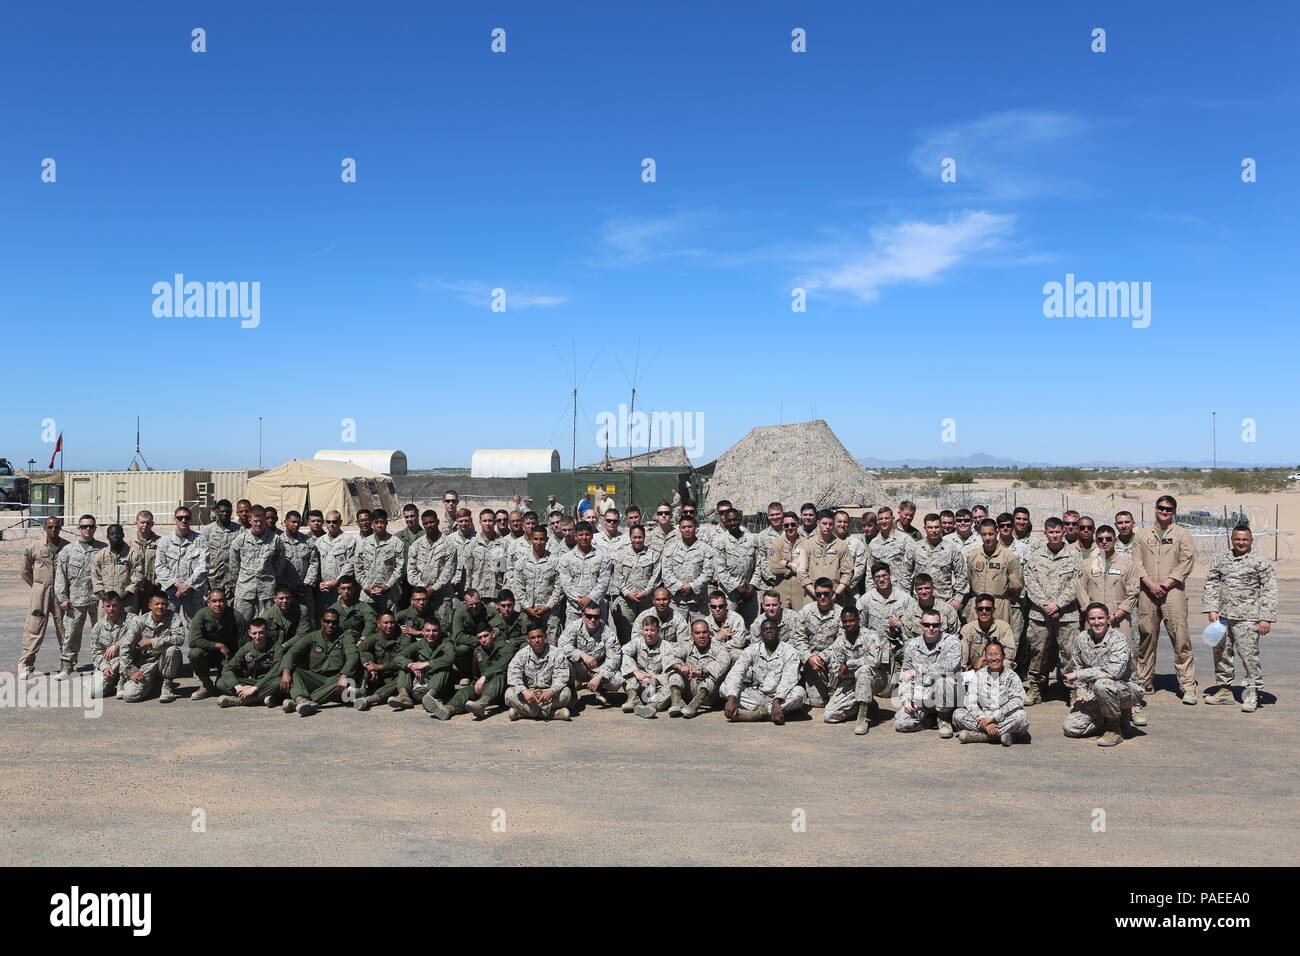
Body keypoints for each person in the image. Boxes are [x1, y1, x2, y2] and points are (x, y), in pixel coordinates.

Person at [1201, 525, 1277, 713]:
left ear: (1251, 541)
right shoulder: (1221, 560)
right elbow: (1211, 583)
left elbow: (1270, 589)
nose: (1241, 543)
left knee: (1249, 657)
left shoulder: (1260, 562)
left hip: (1248, 619)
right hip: (1223, 617)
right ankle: (1225, 690)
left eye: (1244, 540)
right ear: (1232, 540)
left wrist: (1266, 618)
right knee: (1222, 655)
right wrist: (1211, 608)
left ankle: (1252, 692)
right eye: (1237, 539)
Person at [1133, 495, 1197, 703]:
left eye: (1169, 509)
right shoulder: (1142, 535)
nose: (1164, 512)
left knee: (1180, 639)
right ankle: (1144, 682)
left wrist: (1168, 583)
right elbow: (1137, 562)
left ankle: (1187, 686)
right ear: (1155, 509)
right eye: (1161, 508)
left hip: (1173, 592)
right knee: (1146, 639)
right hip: (1148, 592)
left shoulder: (1182, 534)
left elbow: (1187, 561)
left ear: (1174, 512)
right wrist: (1150, 584)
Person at [1063, 603, 1144, 746]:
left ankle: (1114, 729)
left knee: (1102, 684)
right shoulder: (1082, 638)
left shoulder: (1118, 639)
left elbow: (1113, 672)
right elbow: (1077, 665)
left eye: (1100, 618)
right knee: (1071, 728)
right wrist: (1081, 693)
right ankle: (1106, 718)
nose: (1097, 622)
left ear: (1108, 619)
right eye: (1092, 619)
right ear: (1087, 620)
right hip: (1095, 692)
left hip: (1125, 690)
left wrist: (1079, 674)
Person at [1022, 516, 1080, 705]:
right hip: (1040, 614)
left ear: (1064, 533)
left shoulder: (1074, 555)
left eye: (1058, 532)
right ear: (1045, 533)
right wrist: (1046, 604)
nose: (1054, 535)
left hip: (1067, 615)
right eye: (1051, 532)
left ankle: (1073, 690)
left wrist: (1058, 604)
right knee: (1038, 652)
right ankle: (1035, 687)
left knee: (1070, 654)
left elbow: (1076, 582)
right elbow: (1031, 582)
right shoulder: (1036, 556)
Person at [53, 514, 108, 679]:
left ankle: (102, 665)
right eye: (84, 526)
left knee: (102, 633)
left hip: (98, 600)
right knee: (71, 633)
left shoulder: (103, 549)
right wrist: (62, 598)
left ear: (95, 528)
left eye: (91, 526)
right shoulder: (68, 550)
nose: (88, 529)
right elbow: (60, 576)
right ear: (79, 529)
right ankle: (68, 665)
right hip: (74, 600)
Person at [721, 618, 806, 723]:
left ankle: (761, 713)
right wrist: (732, 699)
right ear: (761, 634)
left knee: (799, 694)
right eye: (765, 629)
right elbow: (738, 671)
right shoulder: (752, 649)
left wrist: (777, 701)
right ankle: (771, 713)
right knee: (724, 688)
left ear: (778, 631)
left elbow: (789, 677)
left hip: (781, 697)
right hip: (758, 695)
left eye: (772, 628)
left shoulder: (789, 651)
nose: (769, 630)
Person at [279, 609, 362, 717]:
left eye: (334, 622)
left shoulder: (345, 636)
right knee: (294, 670)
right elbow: (291, 653)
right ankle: (300, 698)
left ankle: (301, 702)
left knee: (350, 681)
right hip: (316, 678)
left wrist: (344, 675)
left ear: (338, 623)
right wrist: (286, 672)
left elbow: (353, 656)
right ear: (321, 621)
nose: (330, 625)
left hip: (335, 679)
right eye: (327, 621)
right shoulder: (312, 637)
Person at [894, 609, 961, 736]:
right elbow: (905, 676)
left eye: (935, 625)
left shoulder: (952, 642)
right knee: (901, 724)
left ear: (941, 626)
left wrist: (918, 670)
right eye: (926, 625)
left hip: (948, 696)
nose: (931, 628)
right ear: (921, 626)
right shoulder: (912, 646)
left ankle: (943, 718)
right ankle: (929, 721)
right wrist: (907, 700)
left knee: (944, 679)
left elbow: (948, 667)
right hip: (923, 695)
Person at [1075, 524, 1141, 652]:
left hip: (1118, 619)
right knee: (1092, 653)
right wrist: (1092, 613)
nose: (1104, 542)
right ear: (1096, 542)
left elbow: (1133, 592)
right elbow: (1080, 589)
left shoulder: (1128, 565)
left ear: (1115, 540)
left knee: (1122, 654)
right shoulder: (1086, 565)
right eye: (1100, 539)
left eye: (1108, 539)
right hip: (1094, 620)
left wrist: (1117, 615)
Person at [953, 640, 1028, 745]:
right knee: (958, 714)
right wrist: (984, 721)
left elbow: (1017, 701)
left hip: (1002, 718)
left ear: (1003, 656)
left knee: (1021, 716)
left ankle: (982, 737)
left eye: (997, 654)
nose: (993, 658)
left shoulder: (1012, 676)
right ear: (985, 658)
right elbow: (971, 701)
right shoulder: (979, 675)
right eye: (989, 655)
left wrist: (994, 718)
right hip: (983, 718)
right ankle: (1002, 735)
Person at [19, 516, 67, 679]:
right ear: (45, 528)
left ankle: (66, 663)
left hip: (60, 595)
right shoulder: (34, 547)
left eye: (57, 527)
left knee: (64, 628)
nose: (53, 530)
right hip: (40, 595)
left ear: (60, 528)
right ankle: (27, 665)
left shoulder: (67, 547)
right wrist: (37, 587)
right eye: (50, 527)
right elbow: (25, 571)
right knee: (34, 628)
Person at [430, 625, 511, 719]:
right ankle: (449, 709)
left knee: (499, 675)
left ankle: (481, 704)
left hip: (501, 689)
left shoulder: (506, 647)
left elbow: (502, 664)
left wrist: (484, 677)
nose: (483, 640)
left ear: (493, 634)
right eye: (480, 638)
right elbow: (476, 674)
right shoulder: (478, 651)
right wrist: (474, 687)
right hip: (485, 687)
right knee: (464, 692)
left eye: (486, 636)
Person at [118, 592, 186, 703]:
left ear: (167, 605)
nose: (160, 607)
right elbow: (126, 646)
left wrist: (152, 641)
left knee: (172, 650)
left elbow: (180, 639)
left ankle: (167, 685)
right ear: (150, 606)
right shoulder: (139, 621)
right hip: (146, 663)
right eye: (157, 604)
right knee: (129, 696)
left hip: (165, 661)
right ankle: (154, 684)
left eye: (163, 604)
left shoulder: (174, 617)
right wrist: (131, 671)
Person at [822, 607, 878, 735]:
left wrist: (848, 664)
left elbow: (874, 661)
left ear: (859, 620)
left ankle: (863, 717)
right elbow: (836, 668)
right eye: (845, 622)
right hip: (851, 679)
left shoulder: (870, 636)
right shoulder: (840, 641)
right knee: (830, 716)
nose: (848, 624)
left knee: (863, 671)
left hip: (875, 678)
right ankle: (865, 704)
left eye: (851, 621)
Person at [229, 505, 288, 621]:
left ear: (265, 520)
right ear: (250, 520)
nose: (258, 524)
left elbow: (280, 564)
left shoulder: (275, 539)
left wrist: (270, 576)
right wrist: (241, 580)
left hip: (266, 591)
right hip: (245, 590)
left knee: (267, 623)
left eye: (261, 521)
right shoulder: (240, 540)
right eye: (255, 521)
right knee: (242, 623)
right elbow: (234, 565)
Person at [558, 603, 623, 707]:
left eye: (596, 617)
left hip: (598, 669)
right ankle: (572, 691)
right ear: (583, 615)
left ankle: (601, 691)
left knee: (617, 681)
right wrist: (582, 655)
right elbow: (562, 646)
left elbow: (614, 658)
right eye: (589, 616)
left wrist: (600, 676)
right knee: (562, 660)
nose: (592, 619)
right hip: (578, 668)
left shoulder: (608, 633)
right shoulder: (574, 626)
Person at [187, 588, 246, 699]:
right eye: (214, 601)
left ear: (226, 602)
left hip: (228, 657)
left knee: (222, 686)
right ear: (208, 603)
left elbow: (244, 643)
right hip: (208, 655)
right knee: (194, 654)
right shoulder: (201, 615)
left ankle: (220, 681)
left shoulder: (236, 617)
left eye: (221, 601)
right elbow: (193, 640)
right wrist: (218, 645)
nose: (218, 604)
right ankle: (207, 685)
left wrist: (237, 661)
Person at [504, 627, 573, 721]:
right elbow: (513, 677)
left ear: (545, 637)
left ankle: (523, 713)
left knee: (566, 693)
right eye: (533, 638)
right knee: (509, 693)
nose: (537, 640)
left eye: (539, 636)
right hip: (529, 696)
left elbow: (562, 677)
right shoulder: (521, 655)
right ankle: (552, 714)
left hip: (549, 695)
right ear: (528, 640)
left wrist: (551, 691)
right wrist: (524, 691)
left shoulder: (557, 653)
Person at [667, 619, 732, 718]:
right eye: (697, 633)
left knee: (710, 678)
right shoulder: (688, 645)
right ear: (692, 635)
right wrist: (681, 667)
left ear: (709, 633)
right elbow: (668, 655)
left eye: (704, 632)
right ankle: (676, 703)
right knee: (675, 673)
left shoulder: (718, 647)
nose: (701, 636)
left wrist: (702, 672)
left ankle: (694, 706)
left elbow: (724, 661)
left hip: (709, 695)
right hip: (690, 689)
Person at [793, 578, 843, 707]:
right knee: (818, 703)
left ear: (832, 594)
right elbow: (798, 639)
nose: (822, 597)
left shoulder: (841, 613)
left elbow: (842, 642)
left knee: (835, 701)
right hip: (812, 663)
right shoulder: (805, 612)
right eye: (819, 594)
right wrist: (809, 657)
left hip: (833, 661)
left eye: (826, 594)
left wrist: (823, 656)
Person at [407, 510, 460, 629]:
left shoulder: (449, 544)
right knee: (422, 629)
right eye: (426, 523)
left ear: (438, 522)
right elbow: (411, 572)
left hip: (442, 597)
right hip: (421, 599)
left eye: (432, 522)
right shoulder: (416, 545)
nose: (429, 525)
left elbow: (449, 571)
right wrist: (424, 590)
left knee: (443, 629)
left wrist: (433, 588)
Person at [510, 526, 563, 644]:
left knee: (551, 646)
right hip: (528, 613)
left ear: (547, 539)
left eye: (542, 539)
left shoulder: (555, 561)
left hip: (550, 614)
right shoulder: (521, 562)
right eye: (535, 539)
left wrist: (548, 606)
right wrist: (527, 607)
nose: (538, 542)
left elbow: (559, 588)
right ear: (531, 540)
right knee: (530, 645)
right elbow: (518, 587)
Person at [155, 506, 209, 623]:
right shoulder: (165, 541)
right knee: (166, 625)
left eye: (186, 517)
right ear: (175, 519)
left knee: (197, 626)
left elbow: (203, 567)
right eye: (180, 518)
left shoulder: (200, 540)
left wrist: (187, 586)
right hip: (171, 592)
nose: (183, 520)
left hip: (194, 592)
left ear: (191, 519)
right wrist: (177, 584)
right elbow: (160, 567)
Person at [216, 618, 284, 708]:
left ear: (267, 631)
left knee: (279, 683)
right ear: (249, 633)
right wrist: (238, 687)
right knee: (221, 683)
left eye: (261, 633)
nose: (257, 636)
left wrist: (255, 688)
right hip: (250, 682)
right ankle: (260, 698)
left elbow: (276, 671)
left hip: (267, 682)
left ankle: (241, 700)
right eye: (254, 633)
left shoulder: (277, 648)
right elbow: (228, 668)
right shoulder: (246, 648)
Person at [966, 518, 1023, 625]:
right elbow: (970, 578)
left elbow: (1016, 586)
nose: (987, 538)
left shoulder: (1009, 557)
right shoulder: (973, 556)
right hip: (978, 605)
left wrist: (1006, 600)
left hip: (999, 606)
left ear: (997, 532)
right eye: (984, 534)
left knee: (1000, 638)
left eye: (991, 534)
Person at [610, 524, 660, 642]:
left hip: (646, 601)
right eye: (634, 537)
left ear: (644, 537)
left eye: (640, 537)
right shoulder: (620, 554)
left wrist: (646, 592)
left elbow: (655, 577)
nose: (637, 540)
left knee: (647, 631)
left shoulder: (653, 554)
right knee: (626, 633)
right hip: (626, 601)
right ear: (630, 537)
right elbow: (617, 578)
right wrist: (627, 593)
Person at [712, 507, 762, 625]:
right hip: (729, 594)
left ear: (740, 520)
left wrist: (752, 586)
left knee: (752, 625)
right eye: (729, 521)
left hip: (750, 593)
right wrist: (740, 590)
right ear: (725, 522)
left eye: (735, 520)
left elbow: (758, 564)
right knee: (729, 625)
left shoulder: (752, 539)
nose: (733, 523)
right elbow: (721, 571)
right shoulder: (720, 541)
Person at [910, 513, 970, 612]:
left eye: (937, 527)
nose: (934, 530)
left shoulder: (951, 549)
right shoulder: (915, 548)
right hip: (920, 602)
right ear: (925, 528)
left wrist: (958, 599)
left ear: (941, 527)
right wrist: (908, 598)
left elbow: (962, 575)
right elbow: (905, 575)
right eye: (930, 527)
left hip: (944, 602)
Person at [558, 520, 613, 621]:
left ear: (592, 536)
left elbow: (604, 582)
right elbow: (566, 585)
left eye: (587, 534)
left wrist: (590, 598)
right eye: (580, 535)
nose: (584, 537)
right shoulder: (566, 559)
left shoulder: (603, 557)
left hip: (596, 609)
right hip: (575, 609)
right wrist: (580, 600)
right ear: (575, 536)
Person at [797, 510, 854, 608]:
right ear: (818, 523)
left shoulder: (841, 545)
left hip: (835, 596)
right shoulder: (807, 544)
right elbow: (801, 571)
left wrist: (836, 594)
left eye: (830, 524)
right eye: (824, 523)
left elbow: (847, 573)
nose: (827, 527)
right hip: (812, 596)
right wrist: (815, 593)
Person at [620, 614, 674, 718]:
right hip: (639, 685)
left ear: (658, 631)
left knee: (672, 685)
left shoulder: (667, 646)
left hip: (656, 687)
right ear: (642, 631)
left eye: (652, 630)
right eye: (646, 630)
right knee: (627, 665)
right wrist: (636, 672)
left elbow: (670, 670)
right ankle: (633, 698)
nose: (649, 634)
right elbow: (624, 652)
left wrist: (655, 680)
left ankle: (650, 707)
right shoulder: (637, 642)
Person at [352, 612, 408, 710]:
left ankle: (370, 699)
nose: (389, 626)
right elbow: (360, 648)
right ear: (378, 624)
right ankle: (363, 688)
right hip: (378, 676)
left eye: (392, 622)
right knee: (366, 653)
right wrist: (371, 668)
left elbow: (402, 661)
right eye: (386, 623)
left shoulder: (404, 638)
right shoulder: (375, 637)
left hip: (395, 676)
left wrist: (380, 667)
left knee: (405, 674)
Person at [398, 619, 457, 712]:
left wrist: (426, 664)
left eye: (435, 631)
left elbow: (451, 658)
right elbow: (399, 657)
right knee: (404, 666)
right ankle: (404, 696)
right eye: (428, 630)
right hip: (421, 684)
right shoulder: (419, 644)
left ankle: (430, 697)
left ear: (440, 632)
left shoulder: (446, 643)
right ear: (423, 632)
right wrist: (411, 666)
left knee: (444, 667)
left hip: (439, 688)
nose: (431, 634)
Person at [660, 515, 712, 618]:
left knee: (700, 631)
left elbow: (708, 573)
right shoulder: (670, 549)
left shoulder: (706, 549)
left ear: (695, 527)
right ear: (679, 529)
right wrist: (680, 586)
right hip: (677, 602)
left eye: (690, 526)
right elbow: (666, 572)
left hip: (699, 601)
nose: (687, 530)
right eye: (683, 527)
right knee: (678, 631)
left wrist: (692, 587)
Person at [356, 508, 404, 614]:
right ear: (372, 523)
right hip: (368, 596)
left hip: (389, 596)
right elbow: (358, 569)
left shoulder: (396, 543)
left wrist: (387, 587)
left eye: (382, 522)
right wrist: (366, 587)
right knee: (370, 626)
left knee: (390, 626)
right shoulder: (363, 543)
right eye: (376, 522)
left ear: (386, 523)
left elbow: (399, 569)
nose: (379, 525)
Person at [91, 523, 144, 612]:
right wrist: (105, 598)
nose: (115, 536)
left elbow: (137, 579)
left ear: (123, 535)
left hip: (126, 603)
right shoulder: (101, 555)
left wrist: (119, 598)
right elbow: (95, 578)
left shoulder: (134, 554)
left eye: (118, 533)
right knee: (105, 625)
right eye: (112, 534)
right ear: (107, 536)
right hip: (106, 603)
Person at [280, 510, 320, 625]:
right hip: (286, 591)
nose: (296, 525)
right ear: (285, 522)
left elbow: (314, 563)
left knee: (309, 618)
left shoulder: (308, 542)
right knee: (287, 620)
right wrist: (287, 586)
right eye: (292, 522)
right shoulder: (278, 542)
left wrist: (306, 584)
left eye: (298, 522)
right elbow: (277, 567)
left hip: (305, 589)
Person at [88, 591, 131, 700]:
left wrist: (116, 645)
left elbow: (135, 638)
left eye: (114, 605)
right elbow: (96, 652)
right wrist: (104, 668)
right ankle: (111, 682)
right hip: (108, 663)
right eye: (108, 606)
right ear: (103, 607)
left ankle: (122, 681)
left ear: (120, 605)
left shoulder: (131, 620)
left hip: (126, 663)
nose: (111, 609)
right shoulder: (98, 627)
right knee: (94, 692)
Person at [315, 510, 357, 613]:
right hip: (324, 589)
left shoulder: (349, 540)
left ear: (340, 522)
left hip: (341, 589)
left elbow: (350, 564)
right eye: (328, 522)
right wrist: (318, 583)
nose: (331, 524)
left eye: (334, 521)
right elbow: (315, 564)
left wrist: (337, 582)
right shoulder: (319, 542)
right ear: (325, 523)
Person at [959, 595, 1017, 671]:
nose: (984, 612)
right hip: (975, 668)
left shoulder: (1003, 627)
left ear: (993, 610)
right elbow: (963, 657)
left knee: (1006, 663)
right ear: (975, 610)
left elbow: (1010, 654)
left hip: (995, 666)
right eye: (980, 609)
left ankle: (997, 681)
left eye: (988, 609)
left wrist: (985, 659)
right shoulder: (967, 629)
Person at [201, 500, 244, 602]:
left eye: (228, 511)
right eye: (222, 511)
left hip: (233, 580)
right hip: (213, 579)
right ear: (216, 512)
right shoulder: (207, 530)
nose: (225, 514)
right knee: (214, 607)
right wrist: (204, 579)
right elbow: (201, 557)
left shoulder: (240, 530)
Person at [768, 511, 806, 609]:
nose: (790, 528)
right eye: (786, 525)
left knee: (800, 617)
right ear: (782, 526)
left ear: (798, 524)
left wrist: (785, 563)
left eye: (793, 524)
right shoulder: (776, 544)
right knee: (781, 617)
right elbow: (774, 568)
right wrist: (791, 566)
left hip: (800, 587)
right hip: (781, 585)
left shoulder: (806, 543)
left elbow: (806, 567)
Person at [867, 506, 914, 585]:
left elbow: (913, 568)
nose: (884, 521)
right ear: (878, 521)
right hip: (880, 590)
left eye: (887, 518)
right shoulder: (873, 544)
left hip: (900, 589)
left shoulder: (905, 540)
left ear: (893, 519)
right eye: (881, 519)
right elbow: (870, 572)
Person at [128, 510, 161, 613]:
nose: (145, 525)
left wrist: (158, 582)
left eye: (148, 522)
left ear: (152, 524)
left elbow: (165, 563)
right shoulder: (129, 542)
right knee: (132, 620)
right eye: (142, 522)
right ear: (136, 523)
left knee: (151, 620)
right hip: (133, 590)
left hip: (152, 588)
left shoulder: (160, 542)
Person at [703, 590, 747, 661]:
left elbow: (739, 642)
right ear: (709, 607)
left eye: (721, 606)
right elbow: (703, 643)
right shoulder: (706, 622)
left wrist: (717, 644)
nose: (717, 609)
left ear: (726, 605)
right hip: (713, 653)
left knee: (737, 654)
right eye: (714, 607)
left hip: (730, 652)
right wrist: (718, 638)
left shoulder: (736, 618)